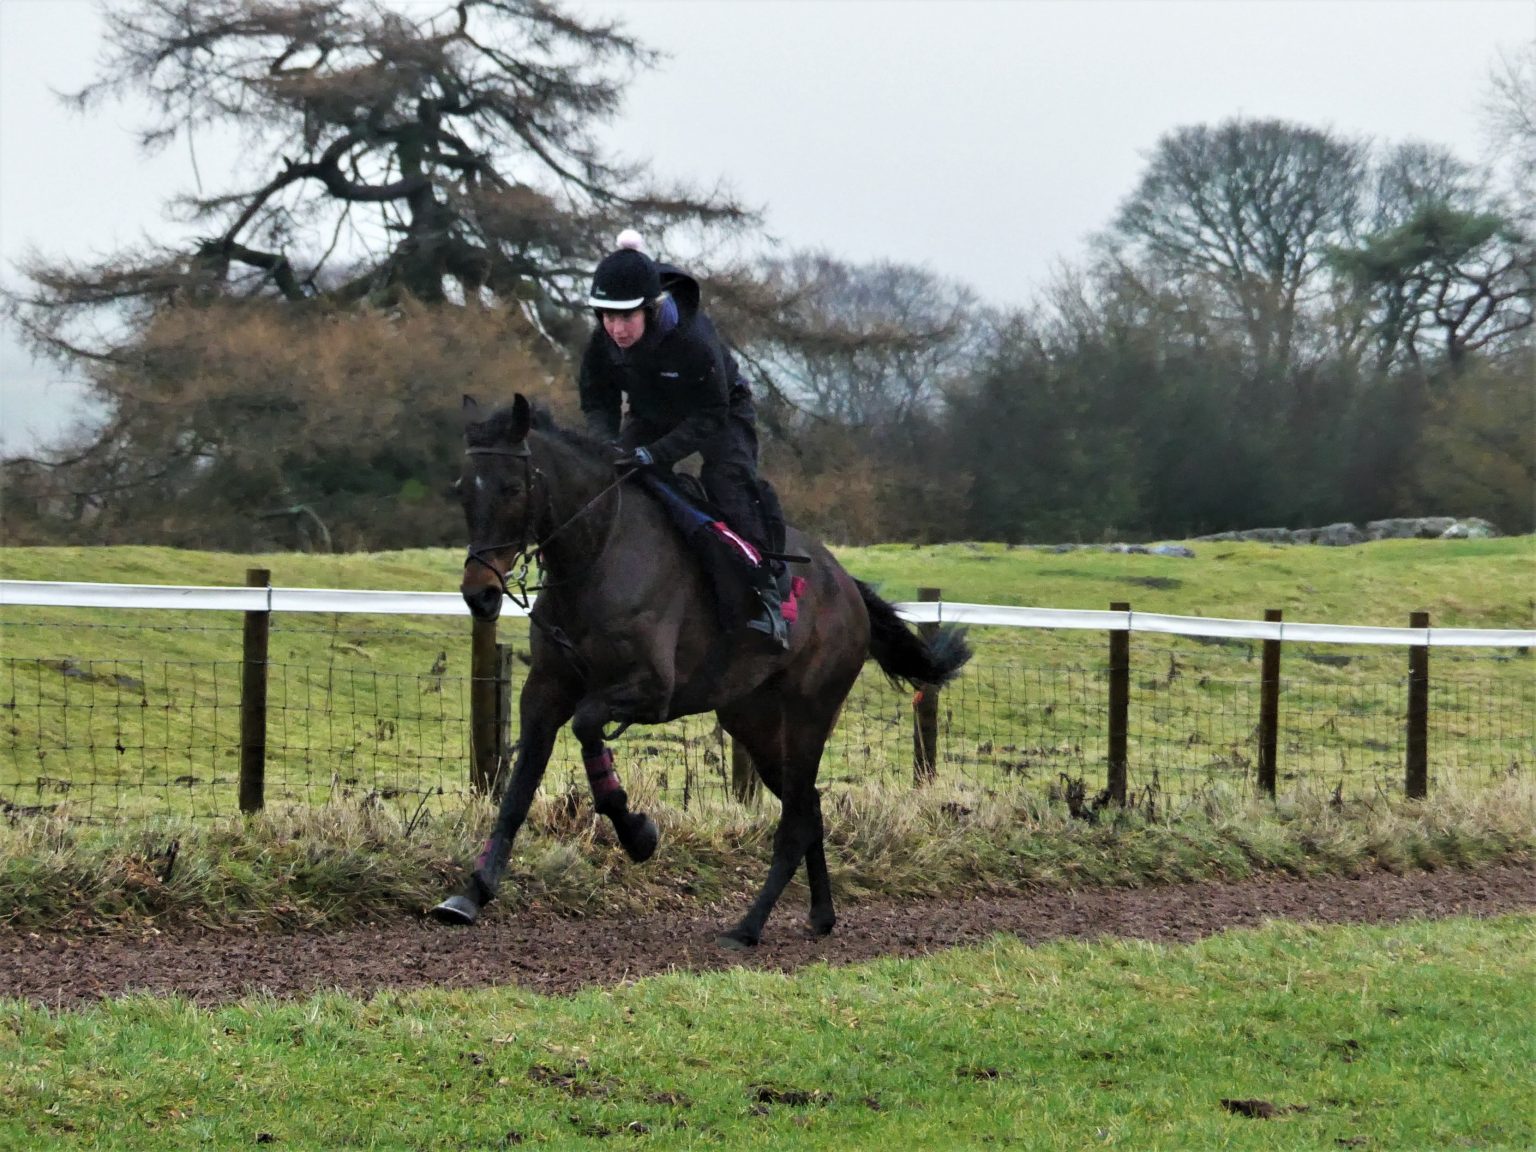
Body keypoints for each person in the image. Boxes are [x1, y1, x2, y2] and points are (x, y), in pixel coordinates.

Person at [579, 230, 788, 648]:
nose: (616, 329)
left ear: (651, 310)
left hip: (720, 412)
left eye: (626, 318)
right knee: (614, 476)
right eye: (607, 317)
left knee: (726, 486)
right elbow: (597, 403)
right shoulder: (602, 342)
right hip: (653, 413)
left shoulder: (693, 341)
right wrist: (609, 445)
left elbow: (710, 414)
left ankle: (769, 593)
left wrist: (653, 454)